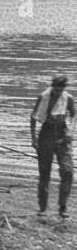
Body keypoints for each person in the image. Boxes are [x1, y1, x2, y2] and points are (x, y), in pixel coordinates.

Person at [31, 74, 75, 217]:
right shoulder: (43, 97)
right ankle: (42, 208)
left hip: (62, 135)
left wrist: (70, 132)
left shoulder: (68, 99)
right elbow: (33, 118)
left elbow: (74, 115)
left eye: (59, 90)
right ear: (52, 87)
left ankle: (63, 207)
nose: (57, 93)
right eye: (55, 90)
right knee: (44, 173)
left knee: (67, 171)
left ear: (63, 89)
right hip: (46, 134)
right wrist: (34, 139)